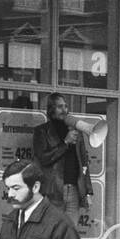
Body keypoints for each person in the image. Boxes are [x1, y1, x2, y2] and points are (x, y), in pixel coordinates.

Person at [0, 159, 81, 239]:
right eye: (8, 188)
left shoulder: (60, 224)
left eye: (16, 188)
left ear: (35, 187)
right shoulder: (9, 221)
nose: (10, 194)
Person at [32, 92, 93, 226]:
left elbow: (83, 162)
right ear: (51, 109)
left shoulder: (75, 131)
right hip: (53, 191)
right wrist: (65, 143)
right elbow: (43, 158)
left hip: (74, 190)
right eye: (60, 107)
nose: (64, 110)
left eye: (65, 106)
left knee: (70, 233)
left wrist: (88, 191)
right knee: (51, 232)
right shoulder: (41, 131)